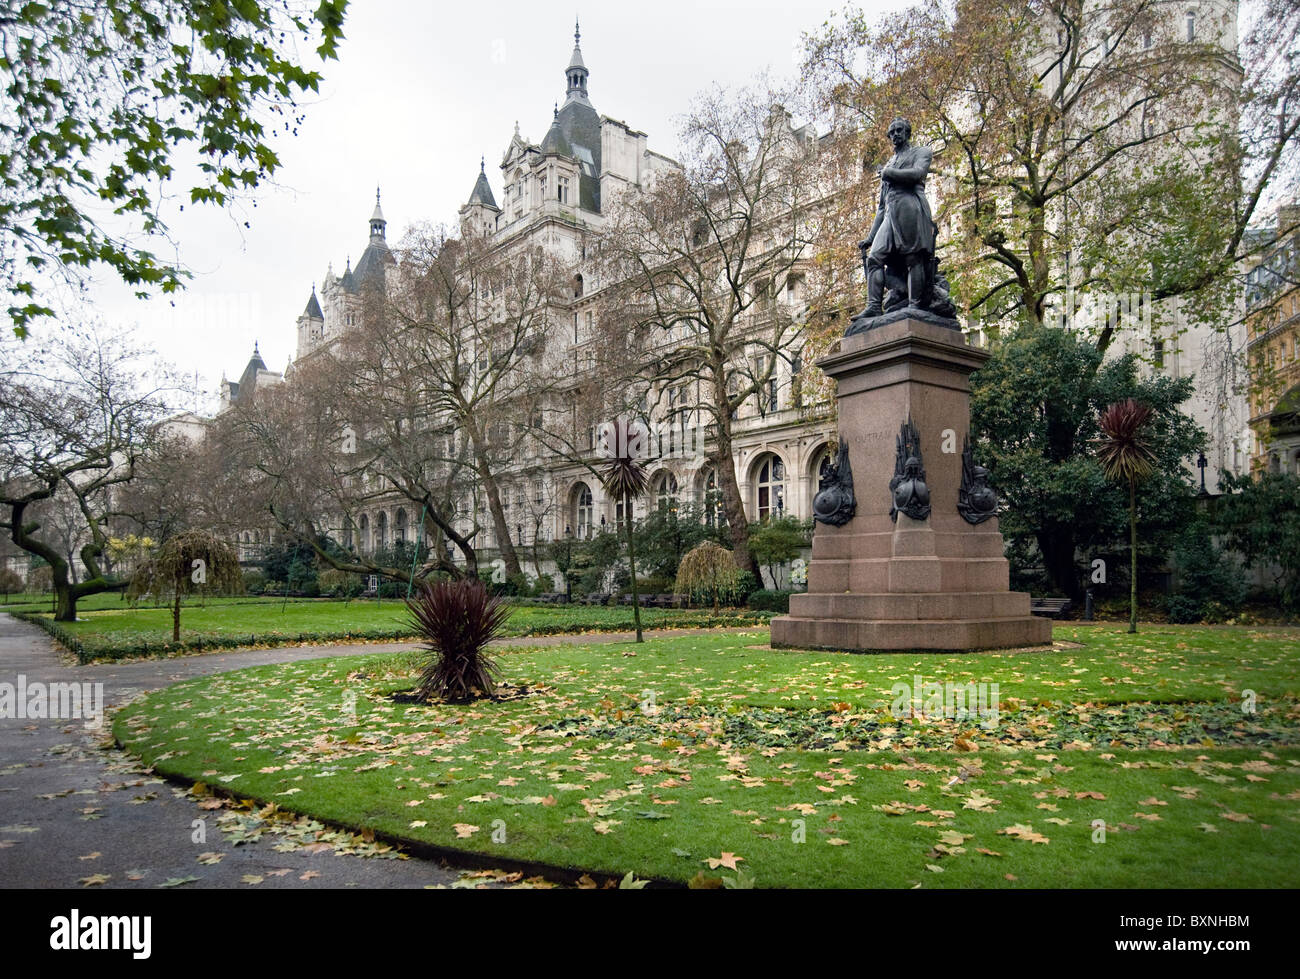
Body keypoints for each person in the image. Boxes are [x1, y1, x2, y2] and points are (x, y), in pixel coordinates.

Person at [861, 117, 937, 317]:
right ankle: (874, 306)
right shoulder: (889, 164)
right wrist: (870, 237)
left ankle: (915, 305)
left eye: (899, 130)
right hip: (890, 213)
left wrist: (889, 173)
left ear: (907, 132)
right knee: (875, 258)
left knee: (913, 257)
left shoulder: (921, 152)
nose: (895, 134)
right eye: (892, 132)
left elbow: (918, 173)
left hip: (910, 206)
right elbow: (881, 206)